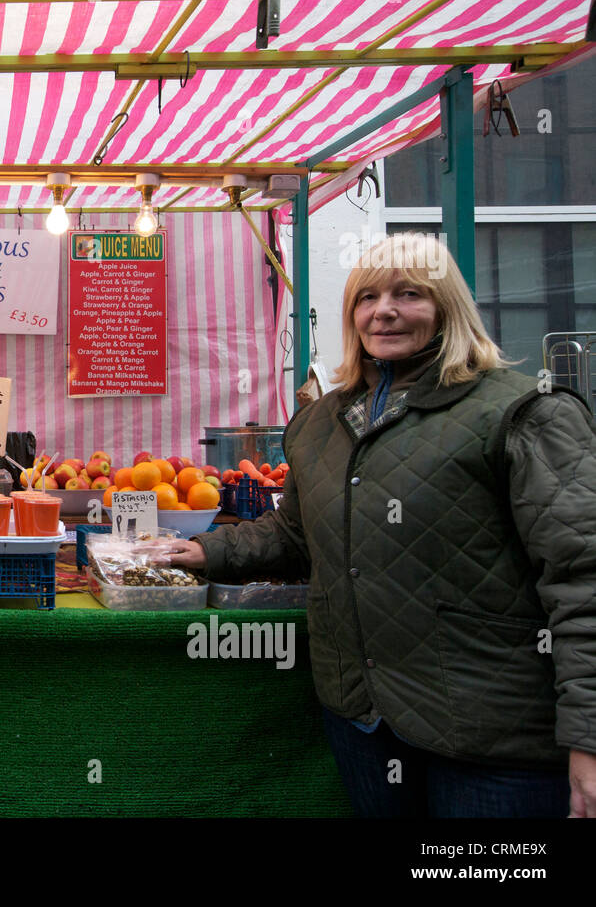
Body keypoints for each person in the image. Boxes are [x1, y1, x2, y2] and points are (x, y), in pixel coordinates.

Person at [166, 233, 596, 818]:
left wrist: (588, 738)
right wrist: (202, 551)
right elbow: (295, 531)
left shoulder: (525, 413)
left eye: (409, 294)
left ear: (449, 307)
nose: (384, 310)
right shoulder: (321, 422)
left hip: (492, 737)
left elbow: (583, 579)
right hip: (364, 721)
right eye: (366, 297)